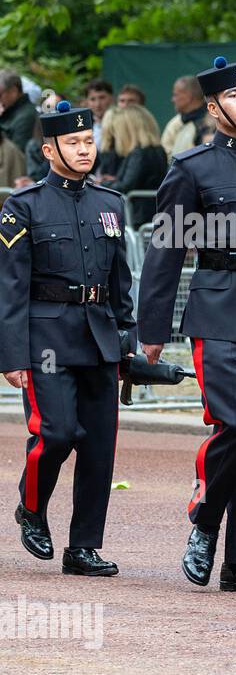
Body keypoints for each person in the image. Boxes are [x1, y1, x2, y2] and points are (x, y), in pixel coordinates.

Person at [136, 55, 236, 595]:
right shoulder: (191, 168)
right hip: (216, 310)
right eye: (235, 96)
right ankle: (205, 515)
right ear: (213, 108)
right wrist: (152, 329)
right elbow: (165, 250)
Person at [1, 100, 136, 577]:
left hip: (98, 337)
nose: (84, 149)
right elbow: (11, 288)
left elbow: (122, 284)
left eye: (88, 141)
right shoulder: (23, 206)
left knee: (100, 447)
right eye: (74, 142)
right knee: (56, 432)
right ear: (49, 149)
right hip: (46, 339)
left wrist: (129, 344)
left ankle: (83, 548)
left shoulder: (110, 204)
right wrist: (11, 354)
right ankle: (31, 506)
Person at [0, 70, 39, 153]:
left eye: (0, 95)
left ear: (14, 91)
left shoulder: (26, 117)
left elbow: (16, 155)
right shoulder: (10, 111)